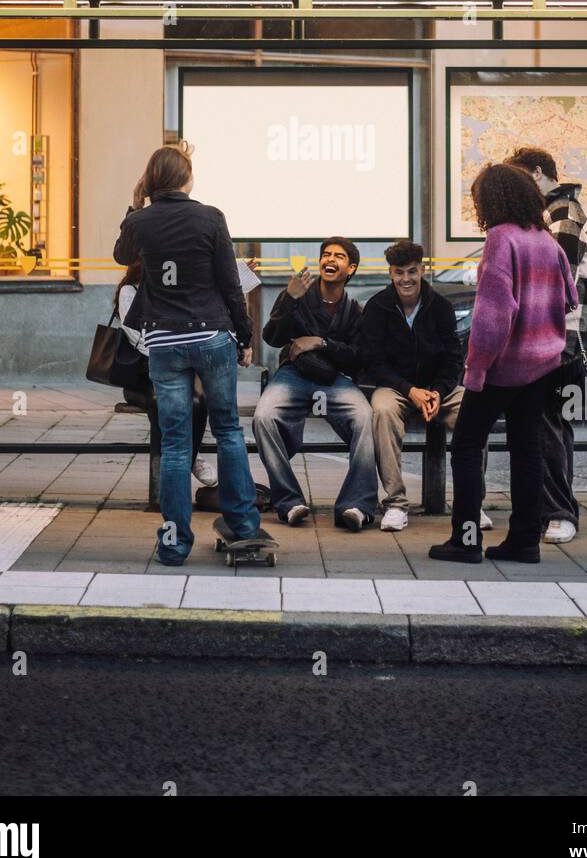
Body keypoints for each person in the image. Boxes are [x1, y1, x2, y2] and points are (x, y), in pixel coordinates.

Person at [113, 142, 260, 566]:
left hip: (164, 342)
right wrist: (245, 335)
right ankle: (244, 524)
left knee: (176, 444)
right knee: (229, 430)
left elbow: (122, 255)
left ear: (151, 181)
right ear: (187, 178)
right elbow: (231, 284)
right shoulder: (211, 217)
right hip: (212, 335)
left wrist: (135, 202)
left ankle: (175, 541)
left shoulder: (140, 221)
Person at [429, 163, 577, 566]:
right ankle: (525, 541)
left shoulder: (501, 239)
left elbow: (494, 317)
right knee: (527, 451)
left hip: (504, 367)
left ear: (491, 200)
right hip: (542, 364)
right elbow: (570, 298)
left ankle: (466, 539)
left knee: (466, 445)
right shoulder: (544, 239)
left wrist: (475, 369)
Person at [362, 239, 492, 533]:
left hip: (437, 390)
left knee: (474, 411)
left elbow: (453, 359)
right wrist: (410, 390)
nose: (405, 279)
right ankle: (395, 503)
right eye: (399, 272)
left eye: (411, 271)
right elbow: (373, 362)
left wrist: (437, 392)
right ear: (390, 274)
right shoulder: (377, 307)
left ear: (421, 270)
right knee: (382, 411)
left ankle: (472, 503)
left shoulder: (440, 307)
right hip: (395, 389)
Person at [252, 238, 378, 531]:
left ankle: (356, 505)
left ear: (351, 268)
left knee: (365, 417)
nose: (329, 259)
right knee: (263, 416)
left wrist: (321, 342)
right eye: (326, 255)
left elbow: (358, 358)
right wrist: (289, 298)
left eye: (338, 256)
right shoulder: (298, 295)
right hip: (293, 375)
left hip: (334, 380)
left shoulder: (355, 310)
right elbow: (271, 337)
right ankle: (288, 501)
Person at [505, 146, 587, 545]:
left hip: (557, 335)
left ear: (538, 173)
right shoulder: (550, 214)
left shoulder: (564, 216)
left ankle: (559, 512)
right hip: (549, 333)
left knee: (547, 425)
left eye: (521, 178)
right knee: (547, 424)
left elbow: (558, 280)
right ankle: (551, 509)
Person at [115, 260, 217, 489]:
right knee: (164, 401)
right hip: (141, 377)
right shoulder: (129, 291)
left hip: (175, 370)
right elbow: (138, 338)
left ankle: (188, 460)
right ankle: (177, 470)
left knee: (198, 399)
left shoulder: (170, 291)